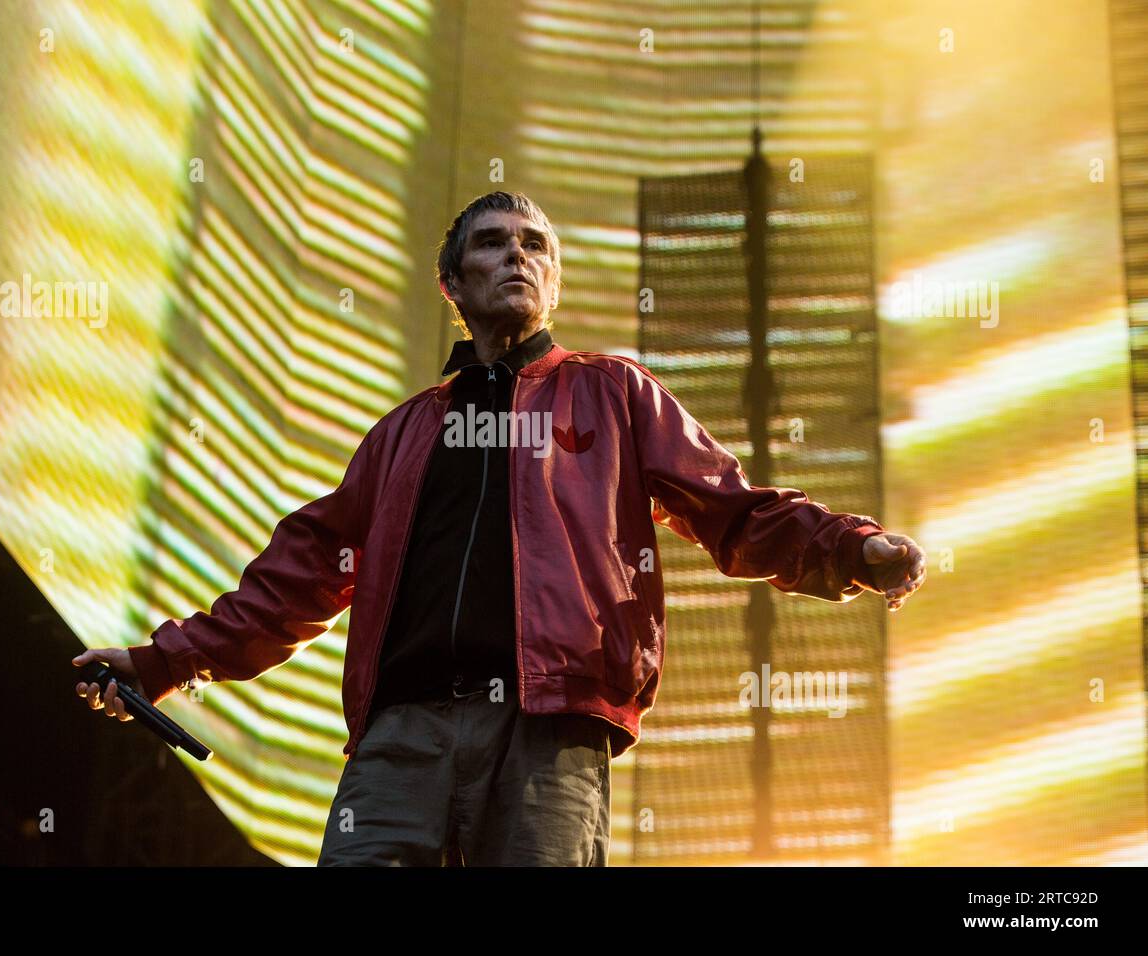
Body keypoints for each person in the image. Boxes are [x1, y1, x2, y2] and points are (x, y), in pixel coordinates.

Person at [73, 190, 926, 866]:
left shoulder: (614, 395)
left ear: (552, 282)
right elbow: (296, 579)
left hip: (550, 729)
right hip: (402, 734)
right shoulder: (402, 435)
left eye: (534, 245)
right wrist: (164, 661)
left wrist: (851, 547)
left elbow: (732, 507)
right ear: (452, 284)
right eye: (491, 243)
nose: (516, 255)